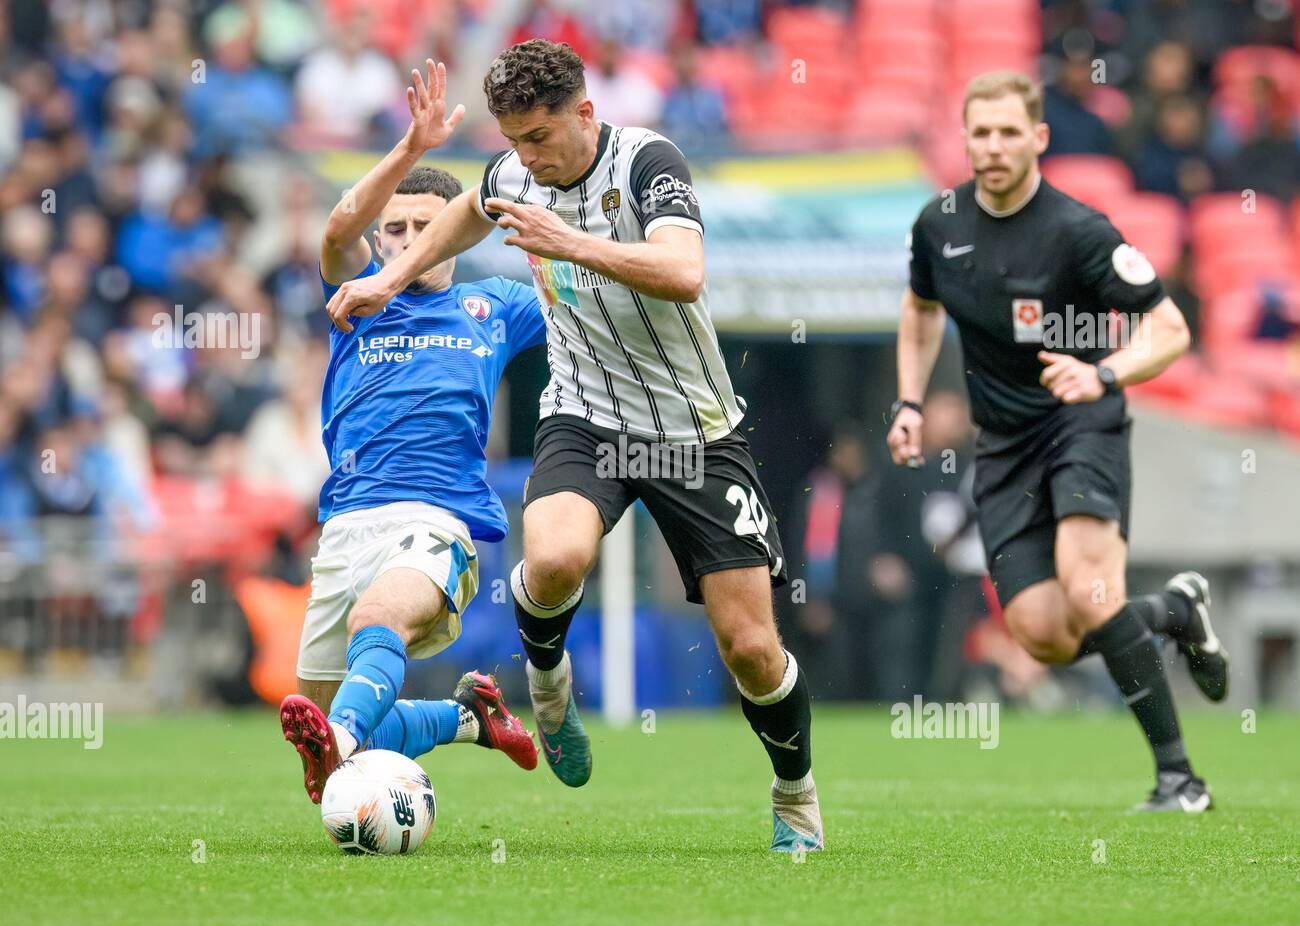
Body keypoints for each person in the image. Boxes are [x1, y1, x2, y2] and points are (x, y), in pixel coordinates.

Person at [325, 41, 822, 852]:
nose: (525, 156)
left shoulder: (647, 163)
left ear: (584, 114)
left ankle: (794, 795)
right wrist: (388, 277)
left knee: (753, 650)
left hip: (692, 431)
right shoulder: (514, 173)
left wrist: (569, 242)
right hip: (585, 417)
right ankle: (549, 689)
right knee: (552, 560)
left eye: (540, 137)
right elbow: (467, 211)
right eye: (513, 139)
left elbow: (685, 270)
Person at [887, 71, 1229, 813]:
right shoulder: (938, 225)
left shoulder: (1079, 232)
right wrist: (910, 401)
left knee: (1090, 588)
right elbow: (918, 312)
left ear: (1039, 138)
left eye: (1010, 132)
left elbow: (1169, 329)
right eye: (982, 132)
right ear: (966, 139)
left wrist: (1103, 374)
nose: (995, 146)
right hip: (1003, 446)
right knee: (1044, 634)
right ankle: (1173, 613)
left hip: (1081, 423)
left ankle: (1180, 779)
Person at [279, 60, 541, 804]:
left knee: (376, 625)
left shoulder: (494, 306)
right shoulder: (359, 298)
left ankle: (345, 743)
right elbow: (337, 229)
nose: (402, 241)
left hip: (436, 519)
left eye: (422, 227)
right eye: (392, 228)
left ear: (452, 238)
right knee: (333, 717)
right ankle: (468, 721)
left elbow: (574, 305)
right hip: (347, 522)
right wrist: (411, 148)